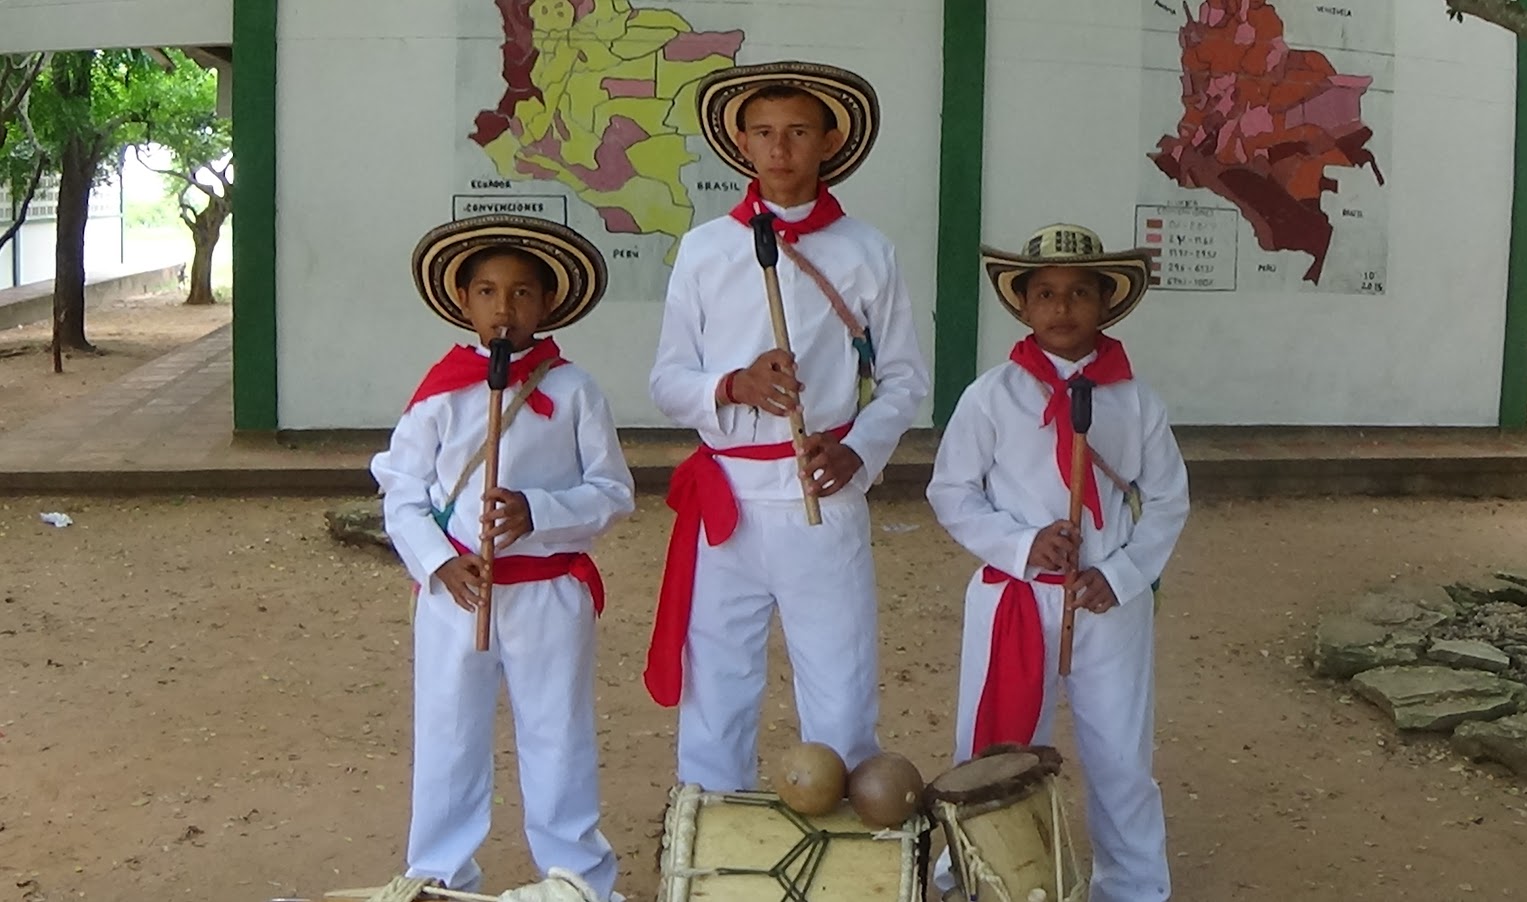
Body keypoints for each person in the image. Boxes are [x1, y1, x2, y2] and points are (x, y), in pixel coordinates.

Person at [643, 61, 931, 792]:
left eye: (799, 132)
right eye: (765, 133)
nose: (781, 149)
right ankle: (711, 840)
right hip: (727, 501)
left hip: (820, 493)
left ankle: (843, 857)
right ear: (741, 143)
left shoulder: (868, 251)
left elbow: (903, 381)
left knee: (839, 682)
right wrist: (734, 384)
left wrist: (858, 453)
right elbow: (667, 381)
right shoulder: (706, 250)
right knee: (719, 684)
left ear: (829, 141)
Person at [371, 215, 633, 900]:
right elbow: (400, 490)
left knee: (557, 732)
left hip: (548, 591)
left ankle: (578, 874)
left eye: (521, 294)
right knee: (449, 730)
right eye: (486, 292)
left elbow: (612, 492)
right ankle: (439, 868)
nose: (503, 308)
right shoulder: (440, 393)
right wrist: (437, 560)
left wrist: (537, 511)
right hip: (457, 594)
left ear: (547, 304)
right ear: (463, 303)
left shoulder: (576, 391)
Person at [926, 224, 1190, 902]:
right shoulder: (991, 396)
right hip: (1016, 597)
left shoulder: (1135, 401)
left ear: (1106, 301)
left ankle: (1132, 885)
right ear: (1022, 305)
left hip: (1105, 602)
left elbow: (1166, 501)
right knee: (998, 747)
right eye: (1044, 293)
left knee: (1121, 756)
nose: (1062, 307)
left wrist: (1123, 575)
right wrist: (1021, 545)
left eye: (1079, 292)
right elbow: (950, 491)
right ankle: (982, 874)